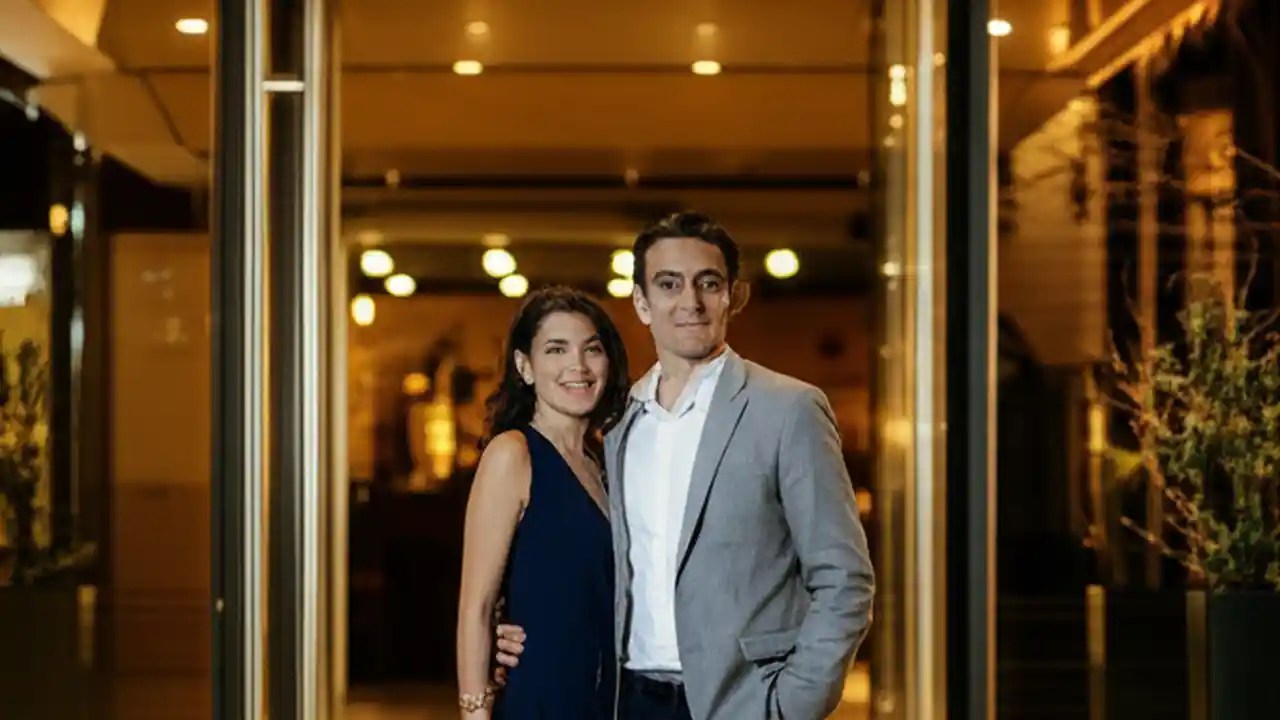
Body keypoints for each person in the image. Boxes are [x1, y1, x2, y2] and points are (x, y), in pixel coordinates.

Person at [495, 212, 875, 719]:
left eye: (708, 284)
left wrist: (795, 702)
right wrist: (515, 624)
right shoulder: (619, 421)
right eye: (669, 284)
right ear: (641, 302)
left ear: (733, 296)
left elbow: (844, 578)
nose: (690, 302)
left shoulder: (788, 409)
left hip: (744, 703)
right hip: (624, 701)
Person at [457, 286, 631, 719]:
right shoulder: (512, 454)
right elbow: (475, 608)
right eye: (556, 350)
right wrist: (474, 710)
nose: (578, 365)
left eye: (592, 349)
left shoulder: (605, 462)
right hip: (541, 701)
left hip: (608, 701)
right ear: (525, 367)